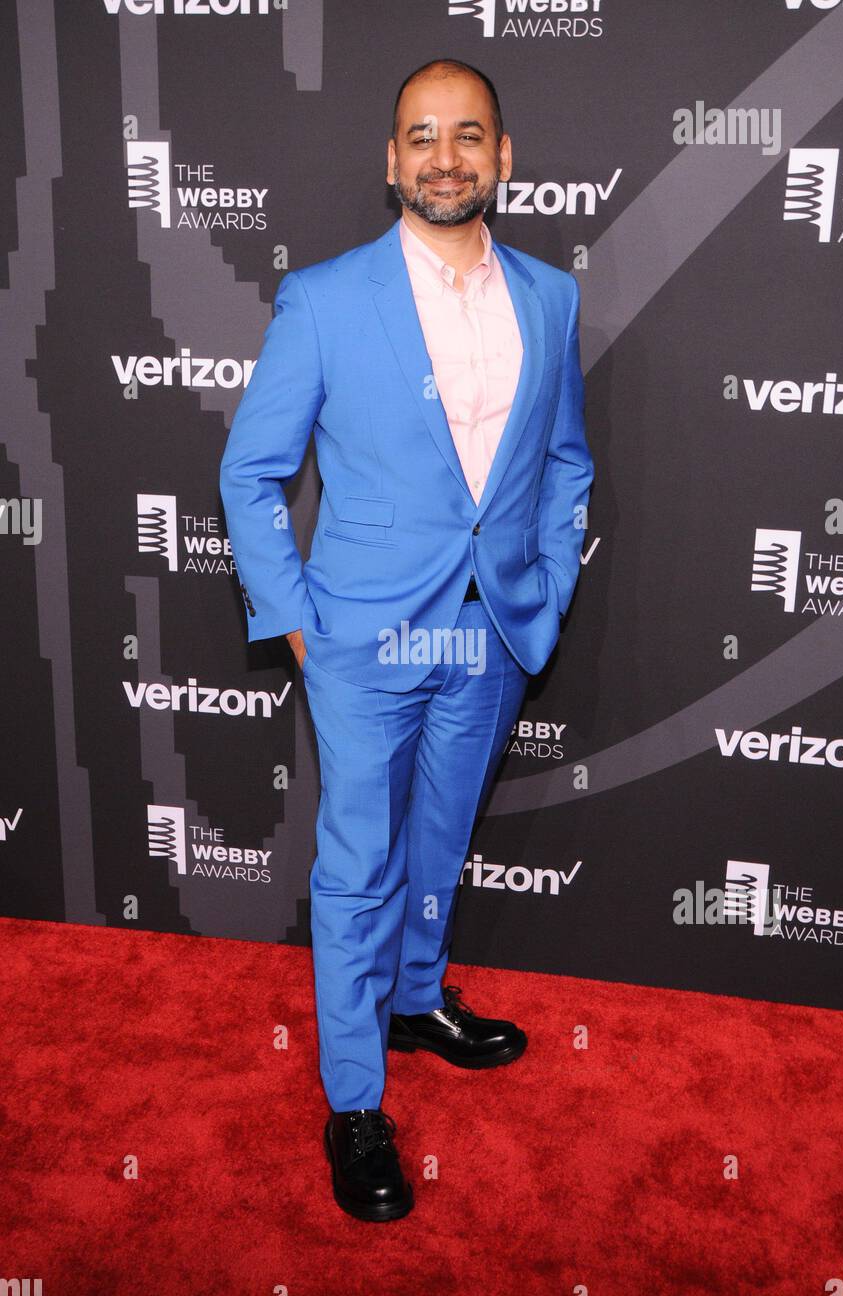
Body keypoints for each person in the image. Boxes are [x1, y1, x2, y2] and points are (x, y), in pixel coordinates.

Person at [219, 57, 594, 1222]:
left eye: (468, 135)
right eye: (421, 136)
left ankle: (417, 998)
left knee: (438, 844)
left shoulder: (548, 297)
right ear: (392, 163)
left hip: (486, 633)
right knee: (358, 867)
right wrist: (297, 627)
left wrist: (543, 573)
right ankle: (352, 1099)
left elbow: (565, 461)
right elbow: (251, 472)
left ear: (503, 158)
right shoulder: (326, 300)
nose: (445, 156)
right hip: (362, 641)